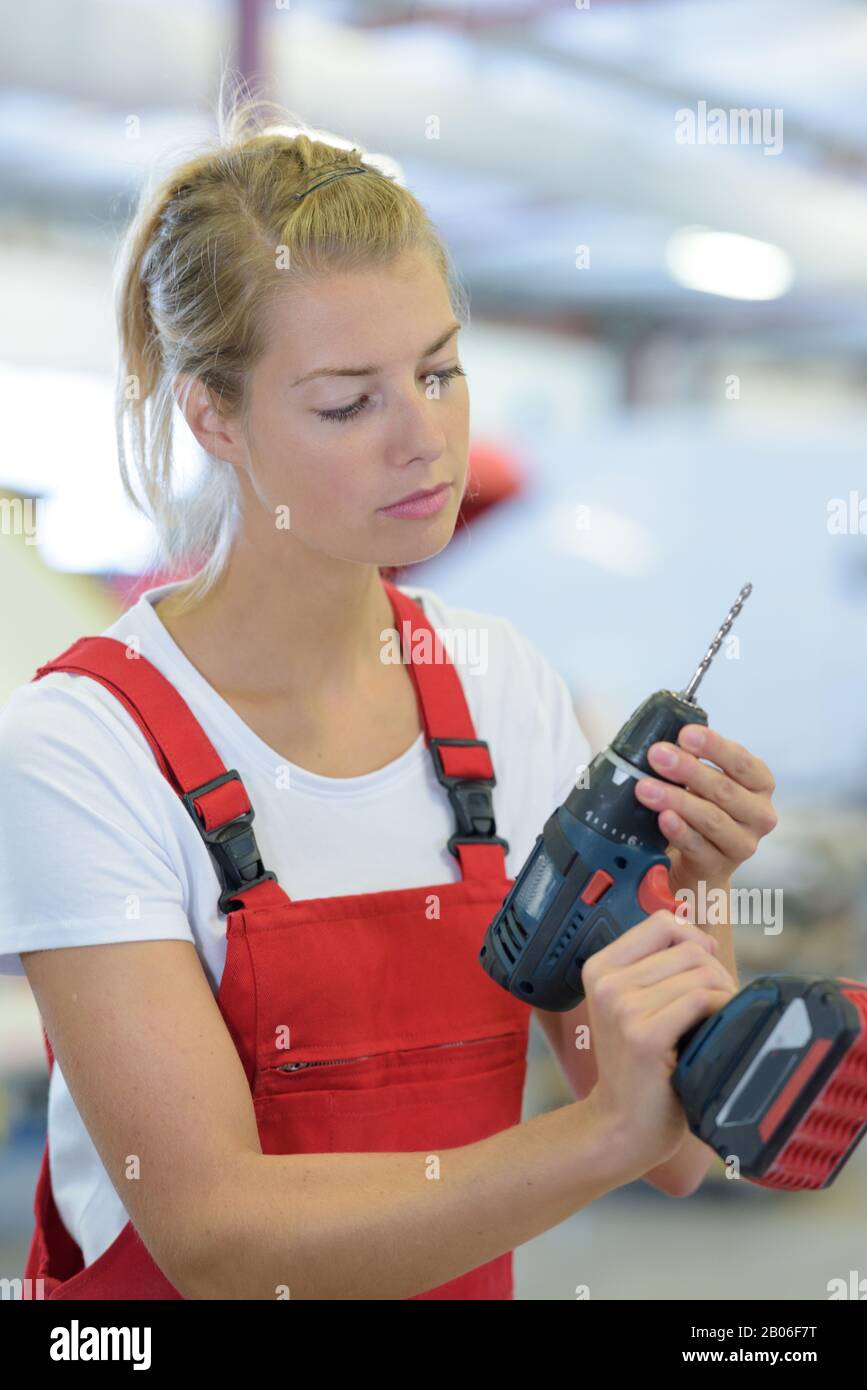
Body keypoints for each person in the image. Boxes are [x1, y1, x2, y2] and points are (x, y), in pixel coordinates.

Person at [0, 86, 778, 1301]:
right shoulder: (83, 743)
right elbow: (216, 1235)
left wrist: (698, 892)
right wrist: (595, 1141)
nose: (422, 439)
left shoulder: (498, 683)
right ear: (214, 415)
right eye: (347, 401)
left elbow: (673, 1151)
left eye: (440, 371)